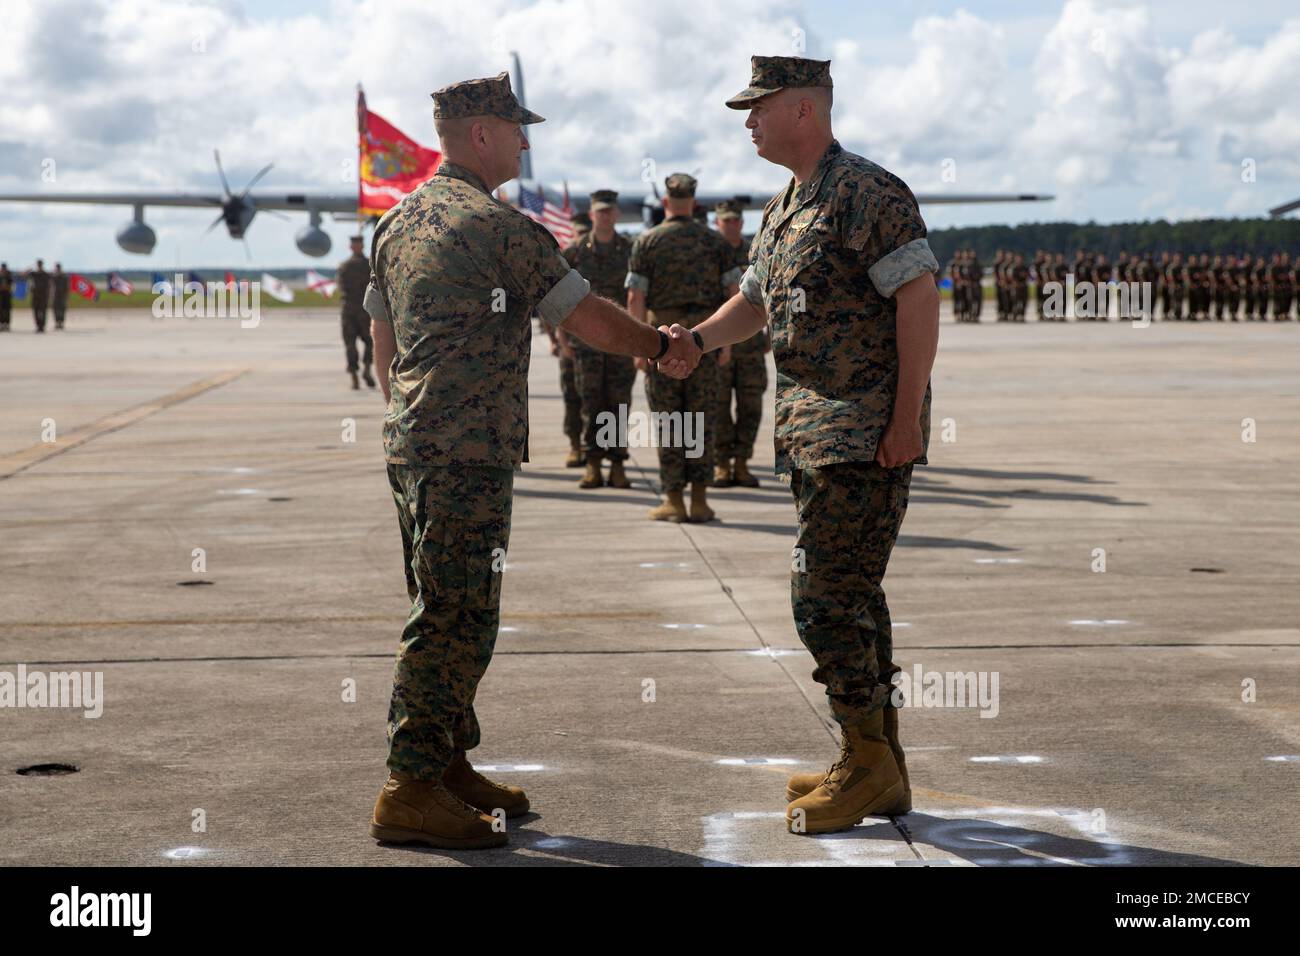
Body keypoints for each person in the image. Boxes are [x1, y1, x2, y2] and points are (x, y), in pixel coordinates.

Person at [362, 72, 695, 850]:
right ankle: (408, 788)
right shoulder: (495, 226)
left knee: (453, 605)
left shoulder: (400, 221)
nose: (526, 140)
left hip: (415, 445)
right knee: (454, 616)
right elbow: (583, 317)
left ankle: (446, 764)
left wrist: (406, 414)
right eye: (517, 129)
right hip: (466, 453)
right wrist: (658, 347)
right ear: (482, 133)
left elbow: (383, 338)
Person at [660, 55, 940, 835]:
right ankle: (875, 760)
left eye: (760, 105)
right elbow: (754, 301)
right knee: (855, 599)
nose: (747, 119)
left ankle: (867, 760)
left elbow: (919, 297)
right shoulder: (788, 203)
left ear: (806, 111)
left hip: (863, 430)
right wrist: (693, 341)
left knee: (821, 598)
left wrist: (908, 416)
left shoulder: (867, 192)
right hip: (814, 434)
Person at [625, 173, 741, 522]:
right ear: (694, 202)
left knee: (669, 422)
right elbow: (733, 294)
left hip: (662, 344)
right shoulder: (716, 243)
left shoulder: (647, 242)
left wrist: (640, 348)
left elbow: (635, 297)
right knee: (702, 421)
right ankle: (701, 501)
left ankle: (673, 500)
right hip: (703, 342)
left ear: (665, 203)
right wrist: (725, 343)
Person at [559, 189, 635, 489]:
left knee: (618, 403)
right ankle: (592, 464)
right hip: (585, 341)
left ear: (616, 214)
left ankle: (617, 464)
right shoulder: (574, 252)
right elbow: (560, 300)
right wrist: (563, 340)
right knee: (590, 402)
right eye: (599, 211)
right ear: (592, 215)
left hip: (622, 340)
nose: (605, 216)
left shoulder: (630, 250)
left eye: (609, 211)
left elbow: (638, 297)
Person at [711, 198, 768, 487]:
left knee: (750, 405)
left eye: (736, 220)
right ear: (716, 222)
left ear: (742, 222)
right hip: (719, 344)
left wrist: (771, 335)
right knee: (719, 406)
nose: (732, 224)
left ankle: (742, 463)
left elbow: (771, 290)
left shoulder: (755, 251)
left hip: (750, 347)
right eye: (726, 220)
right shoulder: (708, 252)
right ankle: (722, 463)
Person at [337, 235, 376, 389]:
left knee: (350, 343)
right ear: (362, 246)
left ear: (351, 247)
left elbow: (341, 287)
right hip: (365, 309)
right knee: (369, 341)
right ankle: (366, 370)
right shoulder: (369, 265)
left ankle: (355, 375)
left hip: (349, 309)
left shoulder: (344, 266)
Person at [26, 259, 51, 333]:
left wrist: (49, 295)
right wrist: (30, 267)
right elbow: (23, 274)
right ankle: (38, 326)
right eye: (38, 265)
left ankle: (42, 326)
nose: (39, 266)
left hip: (43, 296)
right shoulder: (33, 274)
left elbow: (49, 285)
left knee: (43, 312)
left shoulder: (46, 274)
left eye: (40, 265)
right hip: (35, 296)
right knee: (36, 312)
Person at [51, 263, 69, 330]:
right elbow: (51, 286)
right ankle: (57, 322)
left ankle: (61, 323)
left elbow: (67, 287)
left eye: (58, 268)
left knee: (62, 310)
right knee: (55, 310)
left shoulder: (64, 277)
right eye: (57, 268)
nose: (58, 269)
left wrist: (67, 296)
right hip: (55, 296)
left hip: (62, 296)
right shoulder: (54, 276)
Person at [0, 263, 12, 332]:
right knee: (1, 311)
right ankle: (1, 323)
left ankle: (7, 324)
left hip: (7, 296)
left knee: (7, 311)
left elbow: (10, 286)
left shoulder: (9, 277)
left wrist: (6, 287)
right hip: (1, 296)